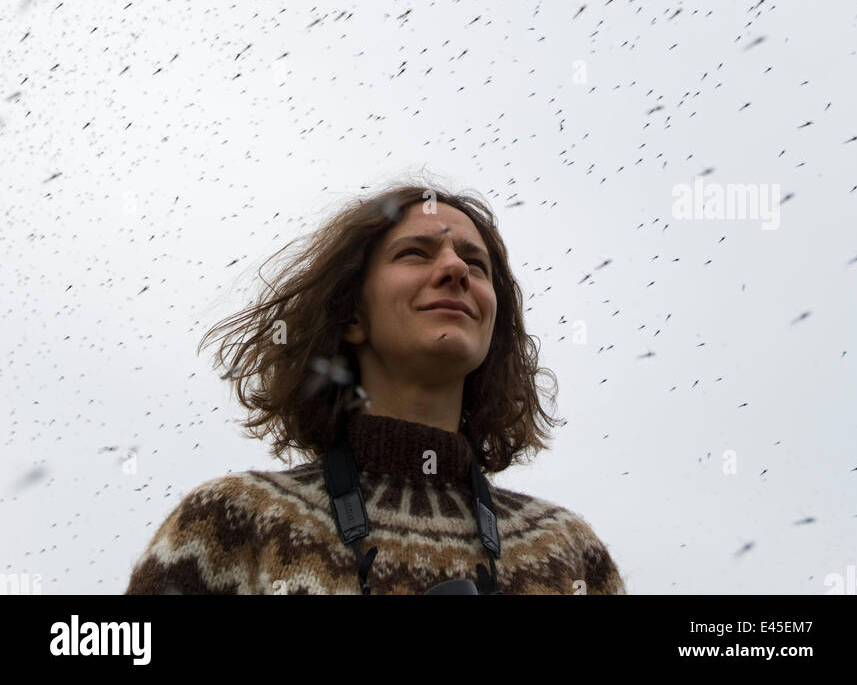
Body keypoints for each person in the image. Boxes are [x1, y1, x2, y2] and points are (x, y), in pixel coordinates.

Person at [123, 180, 626, 594]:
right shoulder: (231, 525)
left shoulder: (567, 553)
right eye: (416, 253)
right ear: (351, 317)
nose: (454, 269)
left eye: (476, 265)